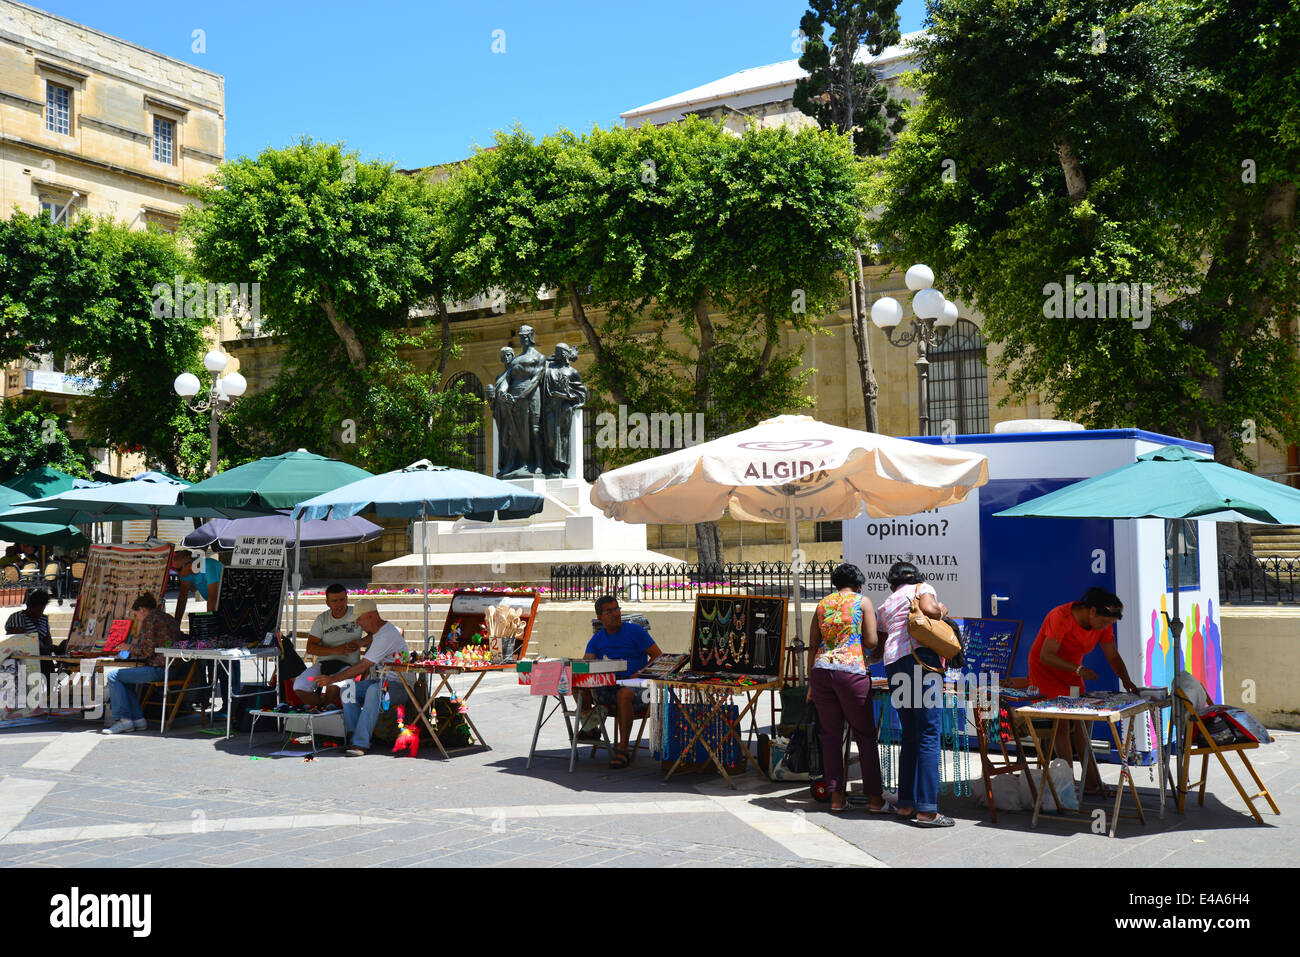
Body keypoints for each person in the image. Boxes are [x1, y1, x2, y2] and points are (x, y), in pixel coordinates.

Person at [1028, 587, 1139, 793]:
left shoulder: (1102, 623)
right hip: (1046, 670)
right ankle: (1067, 783)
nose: (1106, 627)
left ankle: (1090, 780)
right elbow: (1046, 655)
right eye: (1105, 622)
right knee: (1061, 724)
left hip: (1073, 672)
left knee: (1083, 724)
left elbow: (1112, 655)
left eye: (1110, 624)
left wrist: (1126, 680)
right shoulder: (1060, 616)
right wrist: (1078, 669)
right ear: (1092, 611)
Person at [806, 563, 888, 813]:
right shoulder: (862, 602)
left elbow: (812, 644)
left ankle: (836, 799)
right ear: (859, 583)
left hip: (821, 672)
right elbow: (872, 641)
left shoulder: (822, 605)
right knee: (864, 735)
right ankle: (875, 799)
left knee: (830, 737)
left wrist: (811, 682)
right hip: (851, 671)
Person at [877, 561, 953, 827]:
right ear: (916, 577)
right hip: (921, 662)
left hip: (894, 665)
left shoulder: (885, 604)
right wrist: (942, 610)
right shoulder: (922, 588)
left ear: (892, 582)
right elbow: (931, 609)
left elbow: (879, 642)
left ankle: (906, 804)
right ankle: (928, 811)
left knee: (909, 733)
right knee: (929, 732)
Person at [312, 598, 407, 756]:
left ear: (370, 616)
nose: (357, 623)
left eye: (359, 618)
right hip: (383, 681)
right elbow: (375, 636)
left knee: (373, 690)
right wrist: (360, 642)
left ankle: (361, 743)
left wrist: (332, 679)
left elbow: (363, 665)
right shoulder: (380, 630)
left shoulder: (386, 635)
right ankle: (354, 737)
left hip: (401, 686)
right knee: (348, 689)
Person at [580, 595, 662, 769]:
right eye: (609, 611)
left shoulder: (636, 631)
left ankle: (622, 749)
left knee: (624, 694)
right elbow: (586, 664)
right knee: (579, 686)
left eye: (617, 609)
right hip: (608, 687)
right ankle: (591, 727)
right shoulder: (597, 639)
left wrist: (639, 674)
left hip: (637, 687)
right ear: (600, 617)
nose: (616, 614)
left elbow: (658, 656)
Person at [102, 593, 179, 734]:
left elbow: (147, 651)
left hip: (160, 669)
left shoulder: (150, 620)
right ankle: (138, 720)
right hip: (173, 667)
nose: (137, 618)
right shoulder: (168, 618)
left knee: (113, 676)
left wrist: (128, 647)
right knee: (125, 681)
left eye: (136, 614)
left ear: (142, 609)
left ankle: (123, 720)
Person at [293, 584, 369, 708]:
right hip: (323, 665)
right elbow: (310, 648)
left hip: (348, 667)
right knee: (299, 686)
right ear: (327, 603)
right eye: (334, 601)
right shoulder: (322, 619)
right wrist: (335, 650)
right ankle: (323, 705)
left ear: (347, 599)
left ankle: (325, 711)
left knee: (333, 688)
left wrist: (360, 642)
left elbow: (375, 633)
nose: (339, 604)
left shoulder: (357, 614)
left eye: (342, 600)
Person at [541, 343, 586, 477]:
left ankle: (560, 467)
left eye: (559, 351)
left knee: (561, 437)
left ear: (565, 354)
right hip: (549, 408)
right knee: (549, 438)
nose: (556, 354)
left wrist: (566, 395)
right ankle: (550, 466)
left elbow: (581, 392)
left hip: (563, 409)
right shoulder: (549, 368)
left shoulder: (572, 372)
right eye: (556, 351)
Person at [5, 588, 55, 677]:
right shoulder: (17, 618)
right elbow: (22, 641)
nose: (39, 613)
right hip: (23, 662)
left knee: (50, 678)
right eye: (37, 609)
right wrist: (45, 648)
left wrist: (50, 647)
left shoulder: (43, 618)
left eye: (41, 609)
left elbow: (47, 638)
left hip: (43, 659)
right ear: (30, 606)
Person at [171, 549, 223, 622]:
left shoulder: (208, 566)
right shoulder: (186, 573)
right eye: (174, 569)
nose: (177, 573)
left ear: (189, 565)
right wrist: (176, 625)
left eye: (178, 569)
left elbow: (213, 599)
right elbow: (182, 599)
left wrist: (209, 624)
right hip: (217, 603)